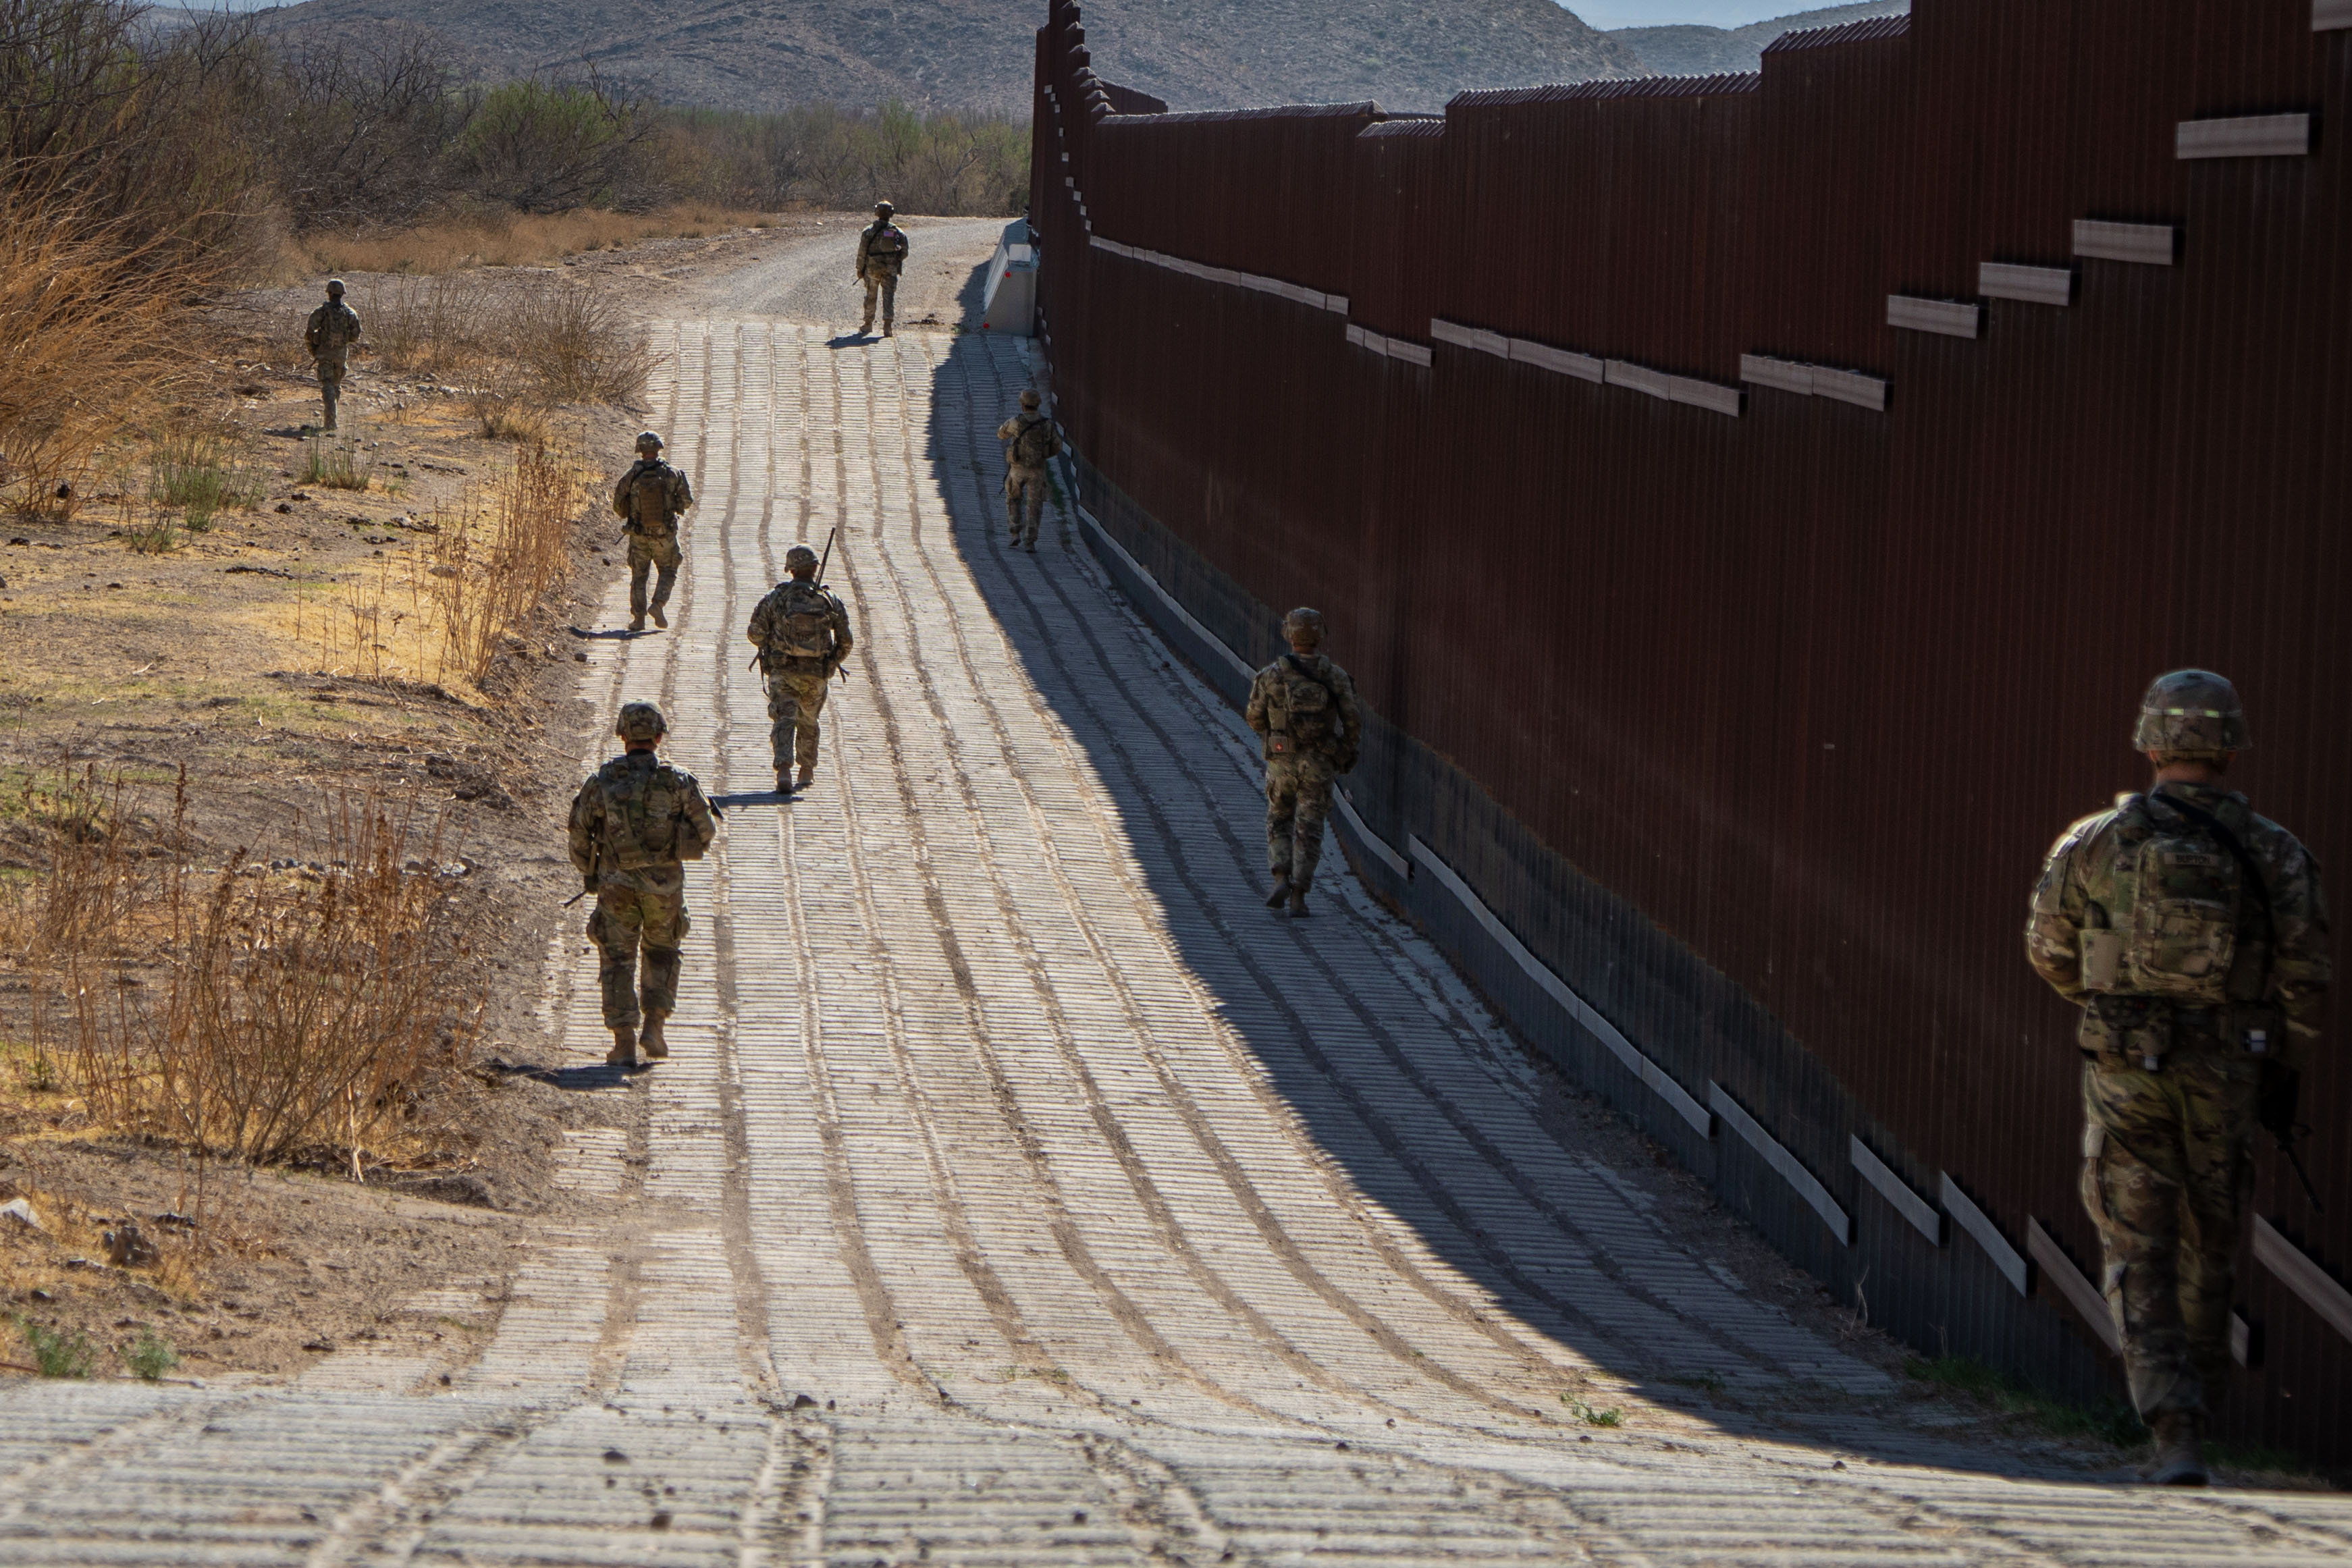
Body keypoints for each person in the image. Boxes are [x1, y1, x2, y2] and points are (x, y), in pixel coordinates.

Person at [2025, 669, 2330, 1486]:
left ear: (2150, 740)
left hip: (2127, 1068)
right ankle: (2201, 1411)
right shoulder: (2276, 851)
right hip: (2227, 1071)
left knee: (2136, 1245)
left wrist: (2114, 1003)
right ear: (2229, 747)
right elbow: (2308, 980)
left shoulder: (2096, 840)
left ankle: (2172, 1428)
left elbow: (2048, 951)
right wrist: (2277, 1067)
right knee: (2211, 1239)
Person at [569, 702, 718, 1068]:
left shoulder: (601, 781)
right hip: (664, 889)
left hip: (615, 887)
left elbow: (578, 835)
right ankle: (654, 1026)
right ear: (658, 736)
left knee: (616, 957)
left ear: (622, 736)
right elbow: (707, 831)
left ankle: (623, 1043)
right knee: (663, 950)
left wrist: (591, 873)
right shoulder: (679, 780)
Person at [1245, 607, 1362, 919]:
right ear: (1320, 635)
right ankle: (1299, 895)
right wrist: (1344, 751)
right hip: (1320, 762)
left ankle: (1280, 877)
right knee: (1310, 827)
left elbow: (1254, 718)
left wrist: (1276, 729)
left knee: (1279, 818)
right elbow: (1353, 720)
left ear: (1289, 634)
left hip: (1282, 759)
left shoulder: (1272, 675)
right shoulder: (1334, 676)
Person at [746, 543, 855, 794]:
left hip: (783, 671)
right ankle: (807, 771)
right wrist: (829, 664)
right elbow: (846, 641)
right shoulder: (830, 599)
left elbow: (755, 633)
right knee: (809, 720)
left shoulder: (776, 597)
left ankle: (783, 769)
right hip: (816, 673)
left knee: (784, 718)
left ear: (791, 570)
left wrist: (772, 647)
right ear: (815, 568)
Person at [612, 431, 693, 631]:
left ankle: (639, 619)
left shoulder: (631, 476)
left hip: (638, 535)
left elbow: (617, 505)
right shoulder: (673, 473)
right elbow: (687, 501)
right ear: (658, 448)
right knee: (669, 569)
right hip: (664, 535)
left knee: (639, 577)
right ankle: (658, 604)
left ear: (640, 450)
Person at [996, 389, 1062, 551]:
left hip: (1017, 469)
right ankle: (1030, 541)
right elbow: (1057, 446)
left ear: (1022, 404)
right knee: (1034, 505)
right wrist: (1043, 455)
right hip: (1037, 470)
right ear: (1038, 404)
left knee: (1013, 500)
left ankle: (1015, 533)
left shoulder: (1016, 422)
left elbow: (1001, 434)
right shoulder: (1047, 424)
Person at [303, 279, 362, 433]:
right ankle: (331, 419)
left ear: (329, 293)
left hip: (325, 354)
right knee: (336, 385)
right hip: (341, 355)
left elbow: (309, 332)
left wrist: (314, 350)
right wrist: (343, 340)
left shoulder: (321, 311)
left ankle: (330, 422)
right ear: (342, 294)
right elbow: (356, 336)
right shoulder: (350, 313)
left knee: (328, 385)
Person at [855, 200, 911, 337]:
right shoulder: (897, 231)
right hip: (890, 269)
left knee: (871, 296)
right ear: (891, 214)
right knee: (889, 296)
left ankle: (868, 324)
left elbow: (862, 252)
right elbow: (905, 252)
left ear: (877, 213)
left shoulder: (869, 231)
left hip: (873, 269)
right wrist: (895, 261)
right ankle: (887, 326)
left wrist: (860, 269)